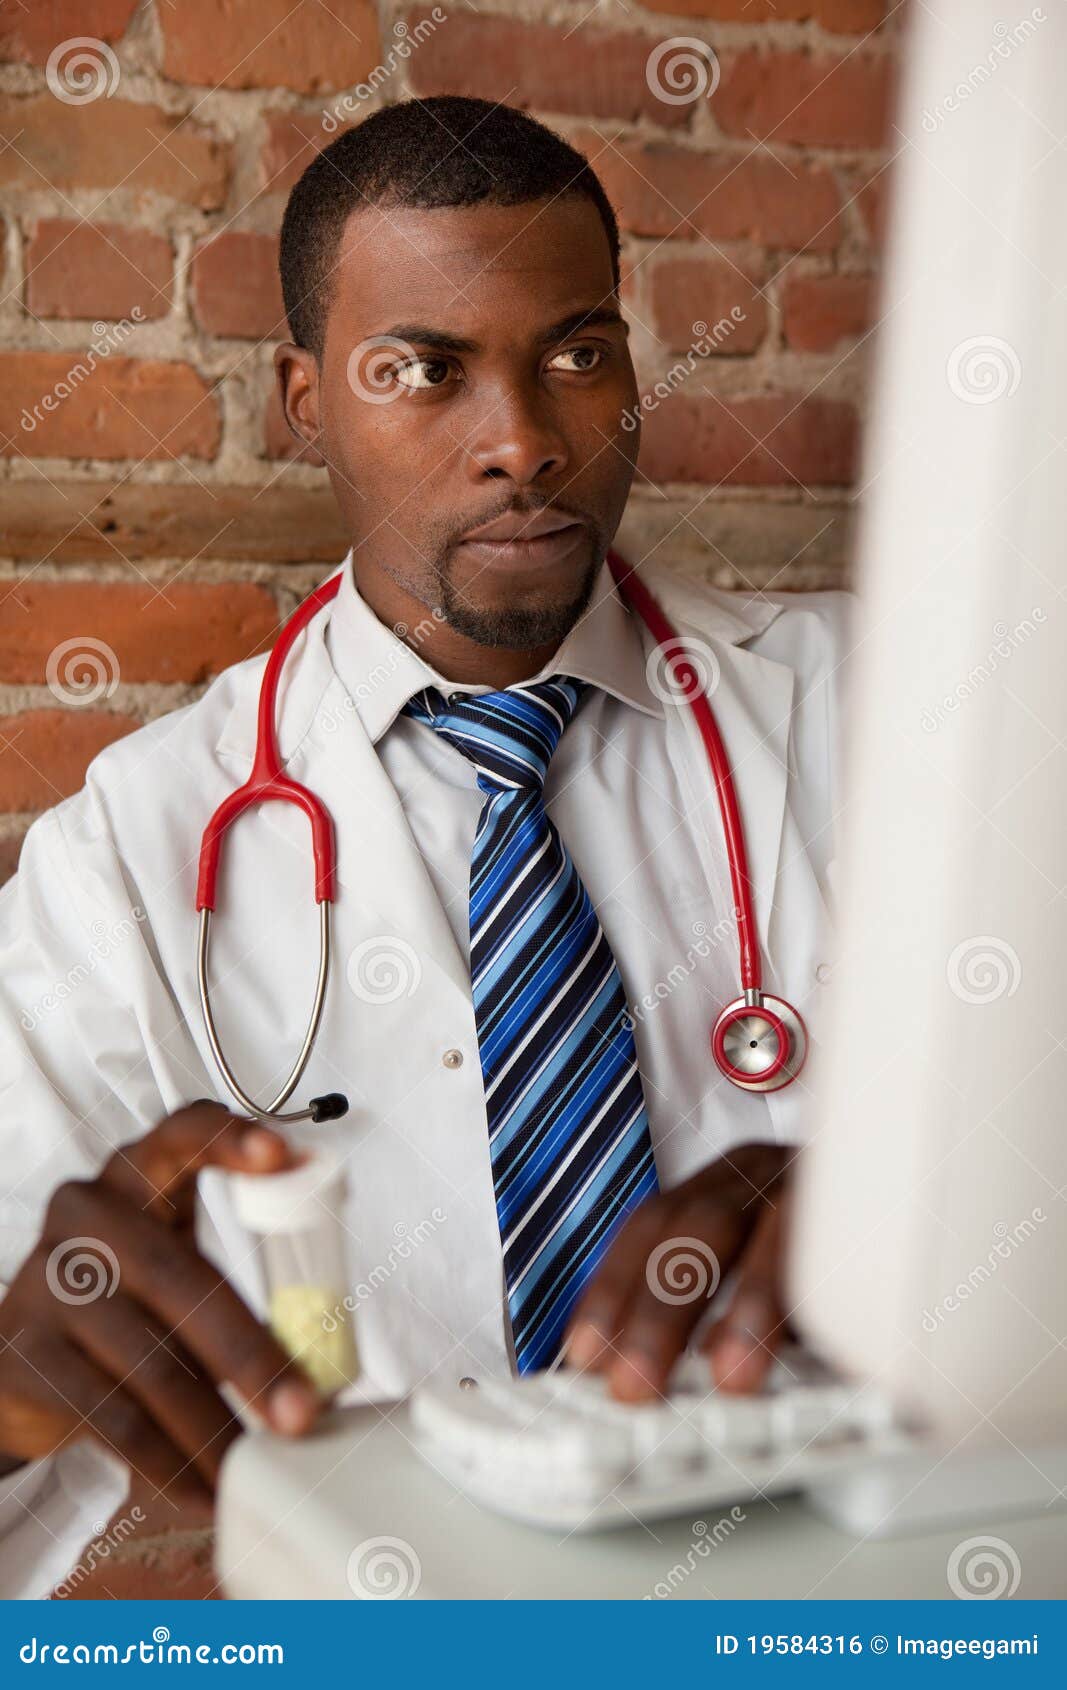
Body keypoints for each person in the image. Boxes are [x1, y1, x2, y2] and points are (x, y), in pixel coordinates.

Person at [0, 96, 849, 1596]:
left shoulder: (876, 712)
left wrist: (890, 1219)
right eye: (421, 370)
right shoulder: (129, 853)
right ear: (304, 402)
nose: (522, 442)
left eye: (578, 354)